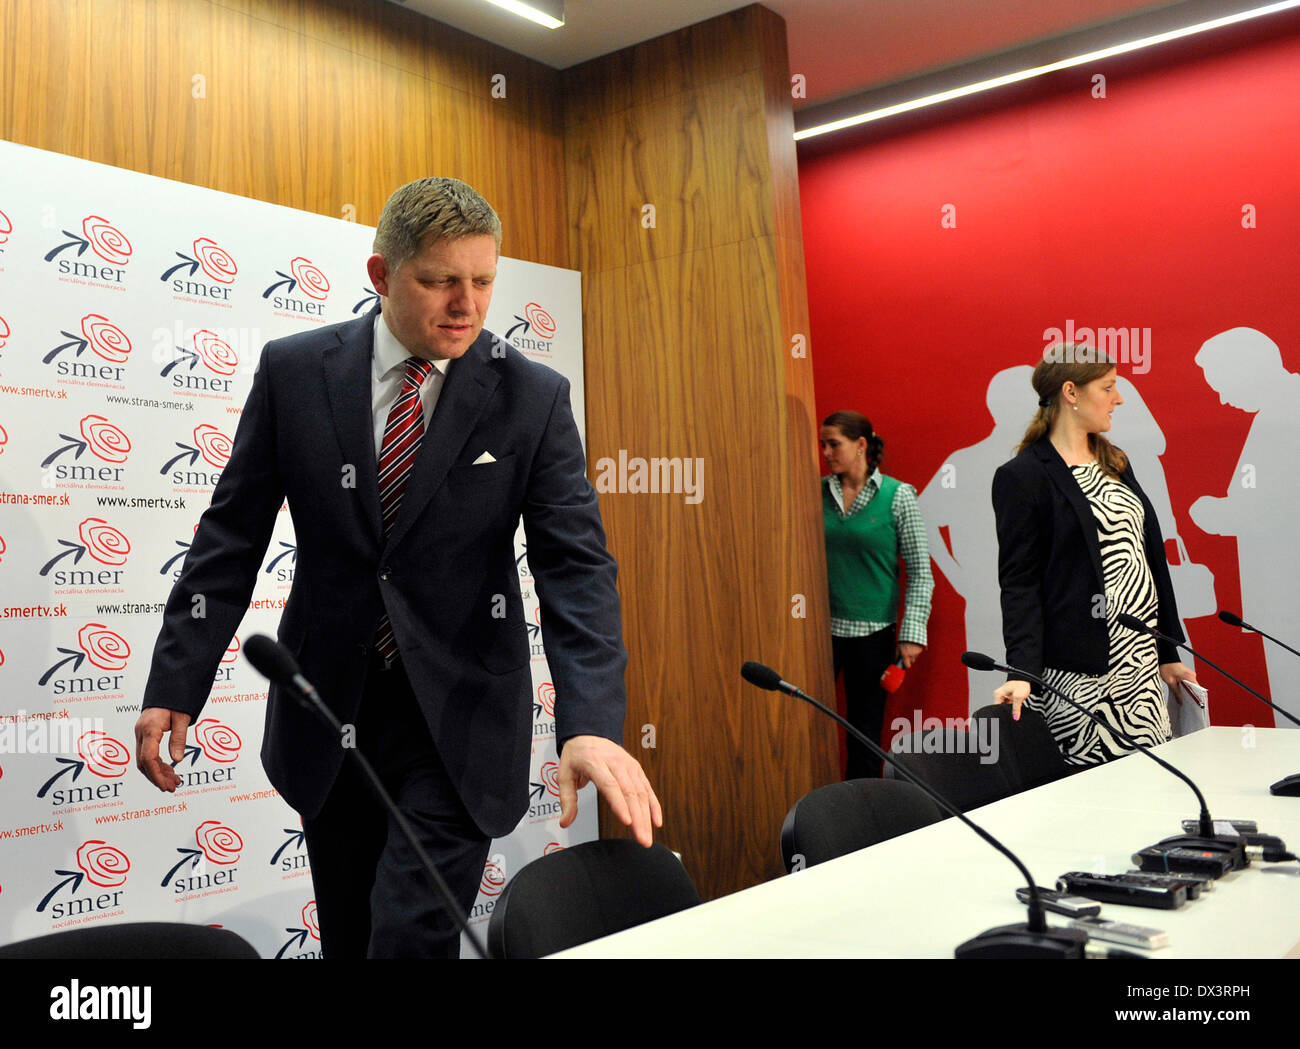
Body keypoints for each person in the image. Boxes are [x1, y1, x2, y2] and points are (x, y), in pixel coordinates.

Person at [133, 176, 661, 957]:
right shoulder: (295, 372)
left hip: (462, 719)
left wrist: (589, 723)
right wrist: (176, 682)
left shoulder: (532, 397)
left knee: (408, 934)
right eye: (440, 280)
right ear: (382, 275)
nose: (468, 305)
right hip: (327, 709)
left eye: (482, 280)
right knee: (351, 934)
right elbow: (230, 536)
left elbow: (576, 568)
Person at [990, 345, 1198, 765]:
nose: (1118, 398)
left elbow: (1151, 558)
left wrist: (1168, 654)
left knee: (1152, 787)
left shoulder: (1115, 461)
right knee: (1094, 801)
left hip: (1139, 668)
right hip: (1080, 675)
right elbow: (1020, 583)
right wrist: (1021, 671)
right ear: (1071, 392)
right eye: (1108, 387)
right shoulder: (1022, 477)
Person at [820, 410, 933, 778]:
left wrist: (912, 634)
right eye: (823, 445)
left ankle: (862, 822)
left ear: (861, 445)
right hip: (818, 635)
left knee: (863, 736)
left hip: (873, 635)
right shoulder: (815, 492)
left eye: (834, 444)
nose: (826, 452)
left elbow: (920, 572)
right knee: (810, 728)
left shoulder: (898, 496)